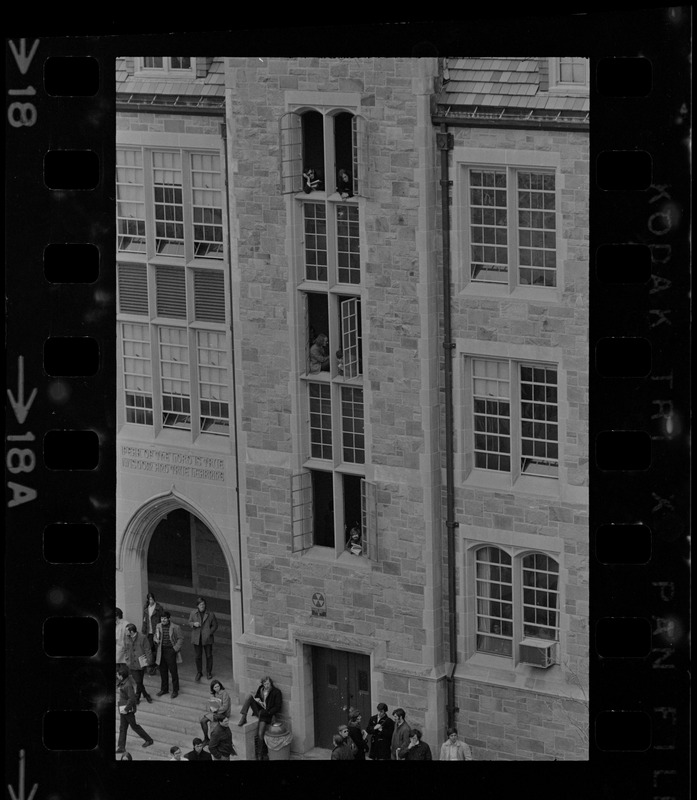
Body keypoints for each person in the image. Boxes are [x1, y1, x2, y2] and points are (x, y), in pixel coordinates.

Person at [237, 675, 282, 760]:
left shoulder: (276, 692)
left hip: (267, 714)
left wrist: (268, 711)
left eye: (268, 684)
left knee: (260, 734)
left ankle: (259, 755)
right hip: (259, 711)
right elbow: (257, 697)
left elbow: (278, 706)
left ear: (271, 683)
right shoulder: (261, 688)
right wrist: (258, 701)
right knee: (249, 697)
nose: (266, 686)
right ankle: (244, 716)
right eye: (265, 684)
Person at [116, 665, 154, 753]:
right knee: (122, 727)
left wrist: (126, 709)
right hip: (124, 709)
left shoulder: (128, 685)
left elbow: (132, 699)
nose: (117, 676)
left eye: (118, 674)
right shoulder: (124, 682)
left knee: (134, 726)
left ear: (121, 676)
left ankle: (149, 740)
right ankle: (121, 747)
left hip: (127, 710)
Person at [188, 596, 218, 681]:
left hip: (207, 639)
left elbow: (215, 625)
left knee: (208, 655)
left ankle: (209, 672)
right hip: (197, 638)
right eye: (200, 604)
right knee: (198, 656)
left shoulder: (210, 614)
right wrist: (194, 624)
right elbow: (189, 622)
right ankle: (199, 672)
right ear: (197, 605)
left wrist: (209, 633)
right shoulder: (193, 613)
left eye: (203, 604)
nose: (202, 606)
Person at [154, 610, 183, 698]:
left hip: (171, 650)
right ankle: (164, 689)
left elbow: (180, 638)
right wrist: (155, 639)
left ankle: (175, 690)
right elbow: (156, 635)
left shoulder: (175, 627)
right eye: (162, 618)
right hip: (161, 650)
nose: (163, 620)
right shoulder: (158, 626)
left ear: (168, 618)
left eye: (165, 618)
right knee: (163, 671)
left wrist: (175, 649)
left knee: (173, 671)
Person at [124, 623, 153, 704]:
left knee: (139, 681)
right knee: (138, 681)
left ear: (132, 631)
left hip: (141, 663)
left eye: (127, 631)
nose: (125, 632)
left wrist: (148, 661)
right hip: (132, 663)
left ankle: (137, 697)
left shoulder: (143, 637)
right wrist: (127, 658)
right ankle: (146, 695)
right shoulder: (126, 637)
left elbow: (147, 649)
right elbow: (125, 648)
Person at [200, 679, 231, 745]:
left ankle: (208, 739)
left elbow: (225, 707)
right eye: (215, 687)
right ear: (213, 688)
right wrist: (212, 707)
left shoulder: (224, 693)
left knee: (206, 721)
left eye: (218, 686)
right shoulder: (214, 694)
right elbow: (211, 705)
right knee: (202, 721)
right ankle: (206, 738)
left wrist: (216, 710)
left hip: (222, 713)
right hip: (215, 712)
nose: (217, 688)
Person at [141, 593, 164, 675]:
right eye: (149, 599)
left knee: (158, 648)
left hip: (156, 631)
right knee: (149, 648)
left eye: (152, 599)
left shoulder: (158, 608)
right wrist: (143, 630)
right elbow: (144, 619)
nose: (151, 601)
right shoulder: (146, 608)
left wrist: (161, 629)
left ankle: (159, 665)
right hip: (149, 631)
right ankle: (152, 665)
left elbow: (162, 618)